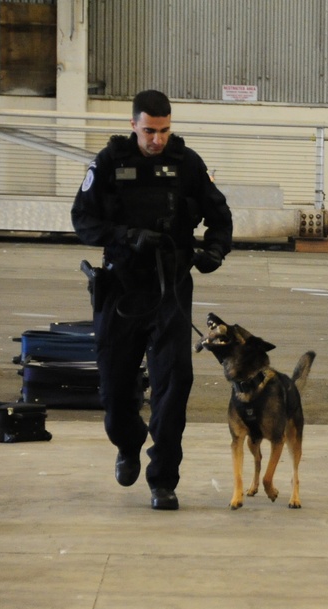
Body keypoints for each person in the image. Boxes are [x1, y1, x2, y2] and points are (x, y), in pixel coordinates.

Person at [71, 89, 233, 511]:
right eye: (149, 131)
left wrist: (214, 251)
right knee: (116, 388)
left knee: (175, 381)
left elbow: (221, 217)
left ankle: (163, 478)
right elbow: (83, 220)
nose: (157, 139)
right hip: (121, 286)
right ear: (132, 125)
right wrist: (127, 236)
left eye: (163, 130)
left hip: (171, 286)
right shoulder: (109, 162)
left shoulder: (187, 164)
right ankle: (128, 443)